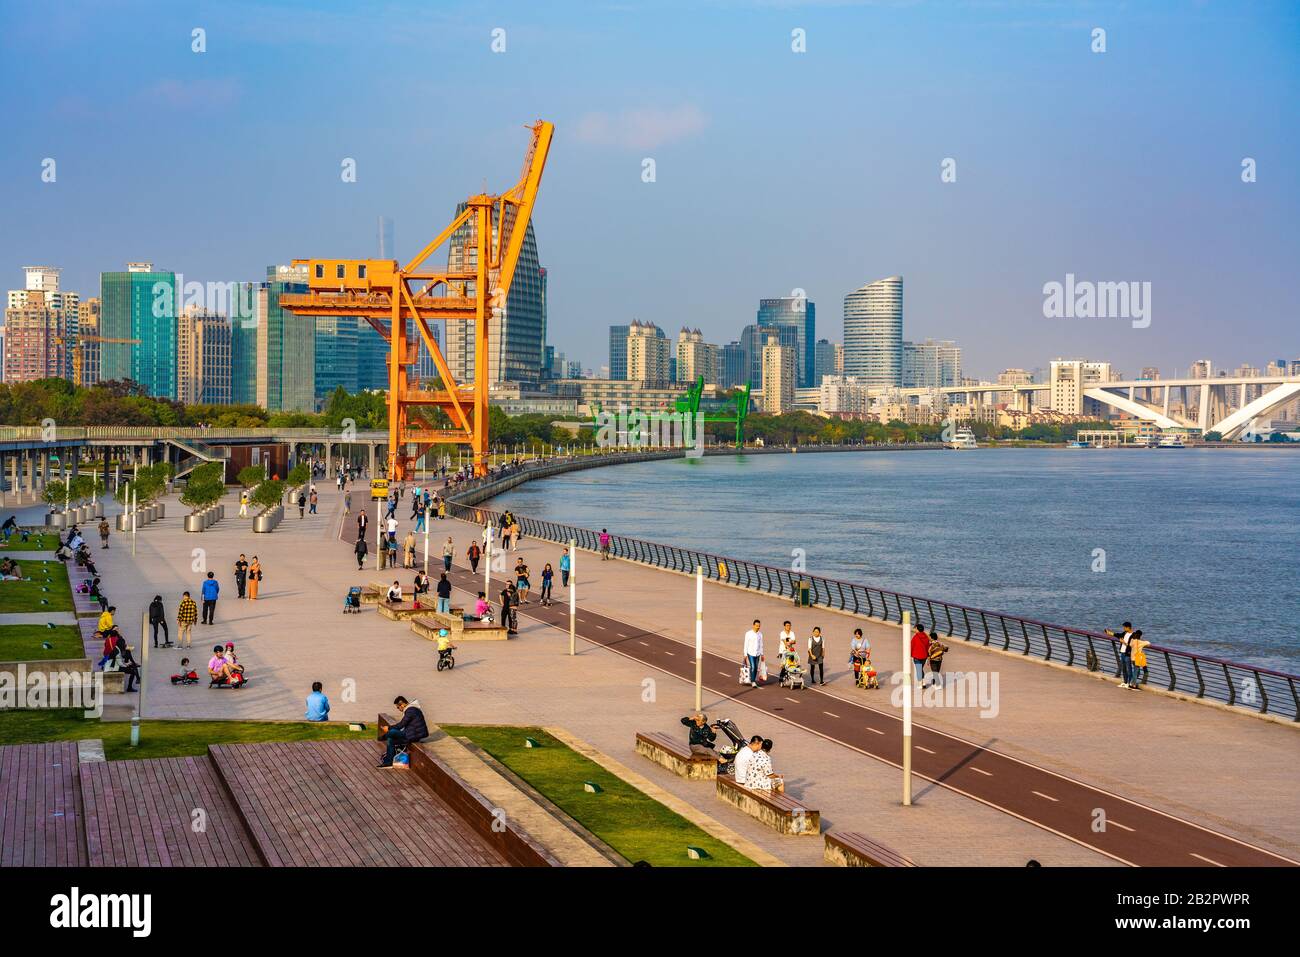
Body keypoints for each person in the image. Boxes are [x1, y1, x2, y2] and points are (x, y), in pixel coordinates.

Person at [379, 696, 429, 767]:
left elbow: (401, 725)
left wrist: (388, 728)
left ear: (402, 704)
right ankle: (388, 762)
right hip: (412, 733)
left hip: (414, 735)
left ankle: (383, 737)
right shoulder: (412, 709)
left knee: (392, 732)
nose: (398, 709)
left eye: (398, 707)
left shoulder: (410, 711)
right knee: (391, 740)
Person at [1105, 621, 1136, 689]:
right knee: (1124, 668)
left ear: (1128, 627)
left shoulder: (1134, 635)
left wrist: (1124, 642)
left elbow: (1132, 646)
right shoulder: (1124, 633)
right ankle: (1125, 682)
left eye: (1124, 627)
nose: (1123, 628)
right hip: (1122, 652)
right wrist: (1109, 632)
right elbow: (1118, 635)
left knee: (1129, 668)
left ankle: (1129, 683)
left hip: (1128, 654)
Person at [743, 620, 764, 688]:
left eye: (759, 626)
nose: (758, 627)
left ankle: (753, 679)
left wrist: (762, 654)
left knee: (756, 667)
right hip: (750, 653)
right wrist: (745, 654)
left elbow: (761, 644)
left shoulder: (760, 634)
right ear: (753, 625)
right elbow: (746, 644)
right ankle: (753, 681)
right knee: (753, 667)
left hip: (757, 653)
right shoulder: (748, 633)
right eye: (756, 625)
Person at [910, 621, 930, 685]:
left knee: (919, 669)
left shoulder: (915, 637)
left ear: (918, 629)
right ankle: (922, 682)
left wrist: (910, 655)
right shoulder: (926, 637)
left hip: (916, 656)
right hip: (924, 656)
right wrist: (928, 655)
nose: (915, 629)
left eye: (915, 628)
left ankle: (921, 683)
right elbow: (928, 647)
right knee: (920, 669)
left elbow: (911, 646)